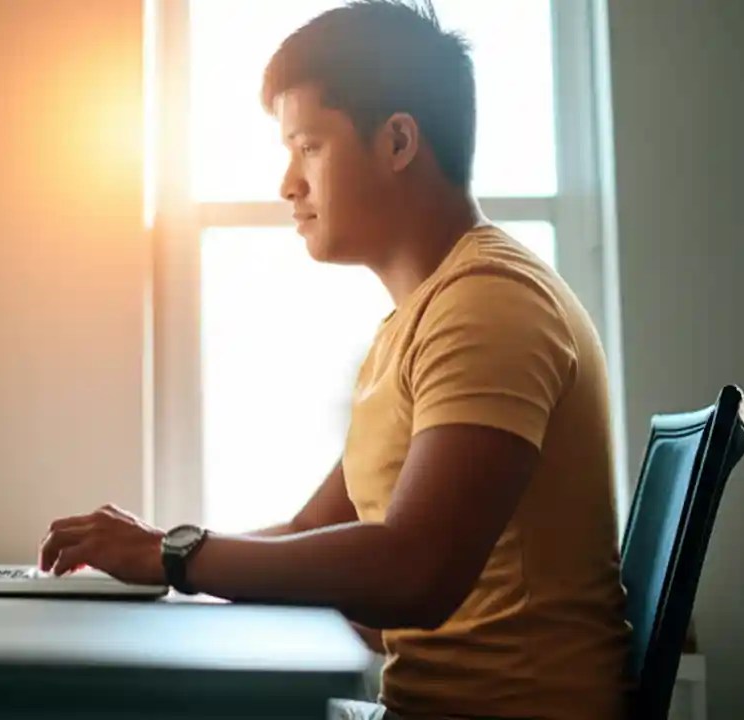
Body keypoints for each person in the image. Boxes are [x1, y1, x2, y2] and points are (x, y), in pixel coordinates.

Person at [38, 1, 630, 718]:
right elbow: (307, 534)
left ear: (399, 141)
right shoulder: (418, 322)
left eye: (309, 145)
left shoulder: (489, 305)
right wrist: (148, 562)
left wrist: (172, 555)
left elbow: (417, 569)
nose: (288, 182)